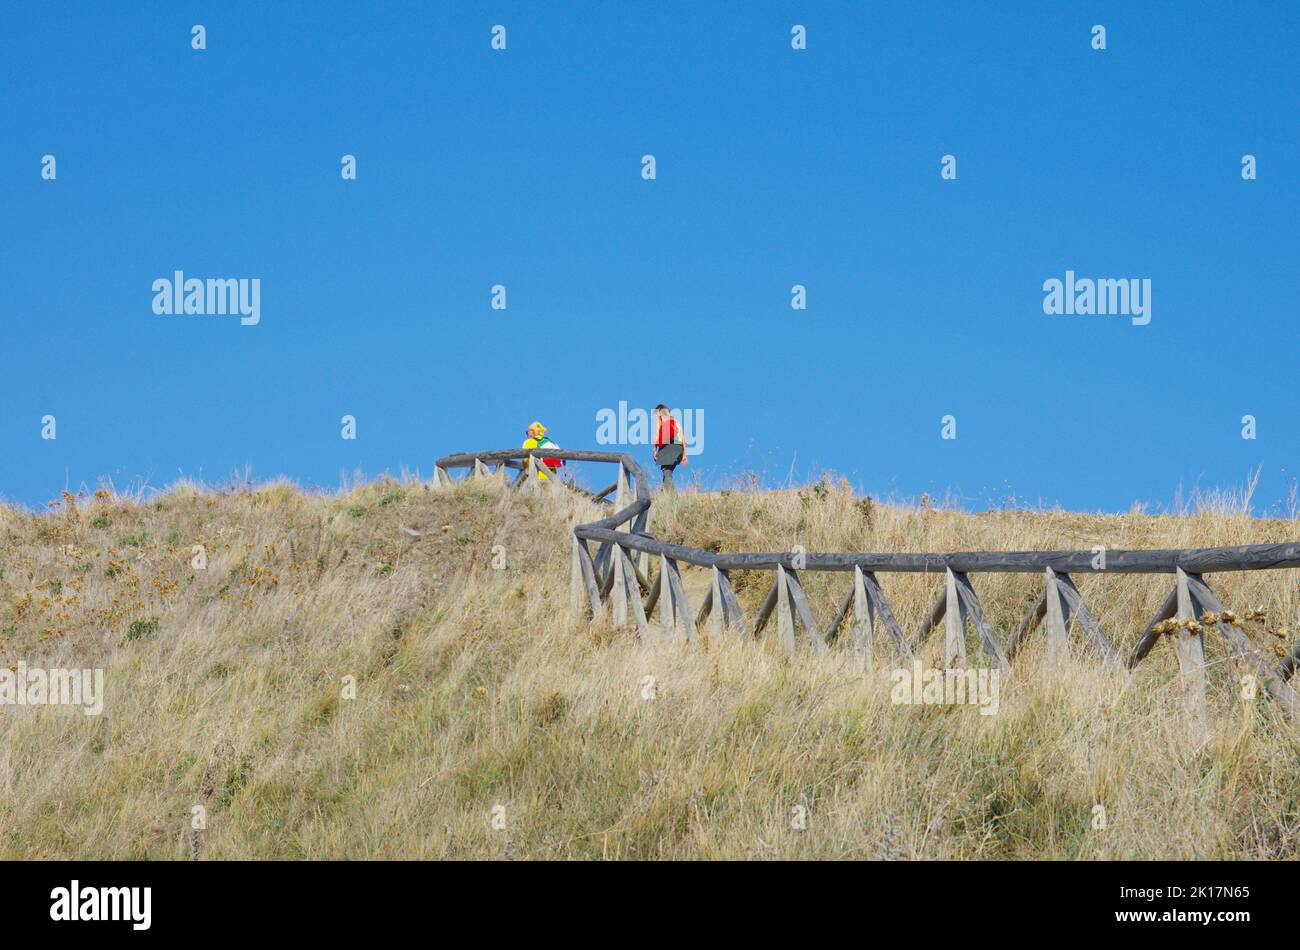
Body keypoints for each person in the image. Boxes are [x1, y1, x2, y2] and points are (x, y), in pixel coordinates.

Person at [652, 404, 686, 490]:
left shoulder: (660, 420)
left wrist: (654, 450)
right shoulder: (676, 421)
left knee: (666, 471)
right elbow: (683, 439)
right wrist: (684, 455)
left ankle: (673, 497)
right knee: (667, 472)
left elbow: (656, 435)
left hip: (669, 447)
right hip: (679, 448)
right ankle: (663, 495)